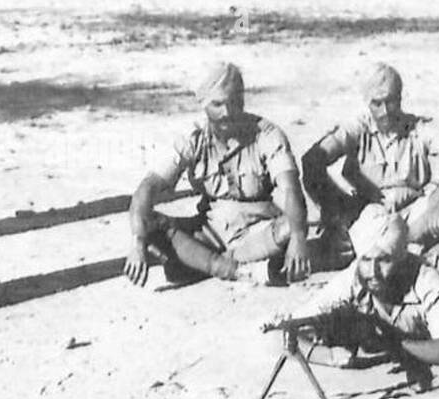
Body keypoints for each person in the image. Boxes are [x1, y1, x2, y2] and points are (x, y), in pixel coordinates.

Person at [124, 62, 313, 287]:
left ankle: (202, 264)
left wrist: (299, 238)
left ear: (242, 101)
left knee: (292, 226)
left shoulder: (266, 135)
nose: (227, 113)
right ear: (203, 104)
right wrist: (137, 242)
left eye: (234, 103)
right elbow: (147, 187)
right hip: (209, 230)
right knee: (148, 224)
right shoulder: (192, 138)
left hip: (256, 232)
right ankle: (236, 269)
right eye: (217, 104)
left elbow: (291, 187)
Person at [299, 63, 439, 270]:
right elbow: (312, 161)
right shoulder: (357, 128)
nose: (385, 111)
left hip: (417, 211)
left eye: (391, 101)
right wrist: (336, 212)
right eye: (377, 103)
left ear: (400, 99)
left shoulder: (417, 128)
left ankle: (403, 248)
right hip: (371, 213)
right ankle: (418, 251)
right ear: (368, 103)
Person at [282, 215, 439, 369]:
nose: (372, 272)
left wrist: (391, 345)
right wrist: (329, 356)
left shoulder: (426, 281)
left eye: (384, 260)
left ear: (400, 261)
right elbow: (289, 332)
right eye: (366, 260)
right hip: (417, 255)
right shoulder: (353, 278)